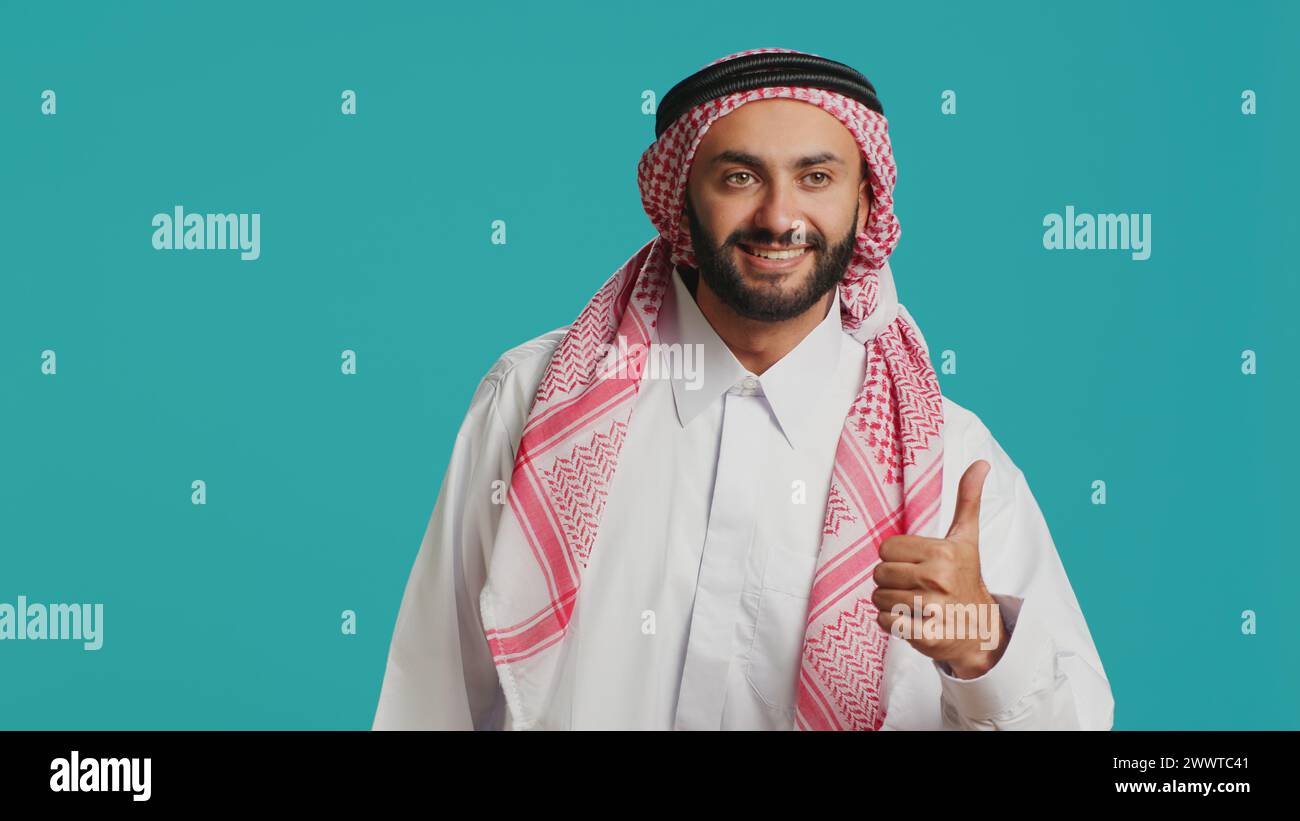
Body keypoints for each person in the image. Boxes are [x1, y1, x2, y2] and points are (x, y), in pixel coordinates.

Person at [372, 47, 1114, 731]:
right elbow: (430, 695)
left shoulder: (948, 460)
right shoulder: (536, 402)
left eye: (816, 177)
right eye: (739, 176)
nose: (780, 216)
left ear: (863, 203)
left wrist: (981, 646)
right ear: (680, 203)